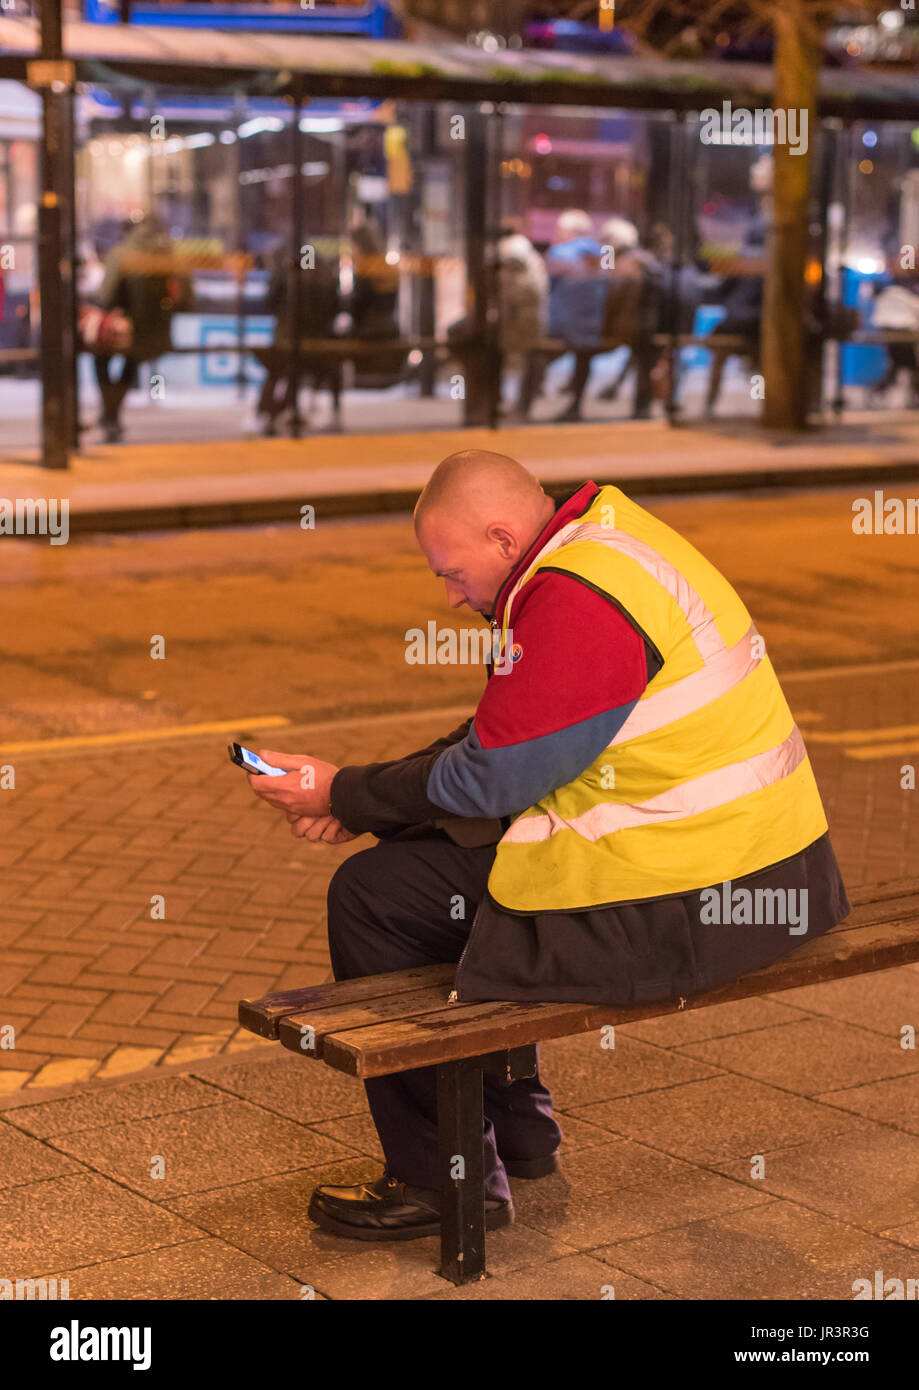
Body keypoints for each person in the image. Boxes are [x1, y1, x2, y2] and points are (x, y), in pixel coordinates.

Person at [246, 449, 851, 1242]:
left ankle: (443, 1179)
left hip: (697, 899)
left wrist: (347, 796)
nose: (450, 595)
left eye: (449, 573)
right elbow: (502, 741)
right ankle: (519, 1140)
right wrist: (360, 799)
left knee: (376, 896)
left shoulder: (573, 599)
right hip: (770, 868)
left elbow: (492, 776)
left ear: (501, 538)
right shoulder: (609, 543)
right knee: (437, 866)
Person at [93, 215, 192, 443]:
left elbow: (106, 297)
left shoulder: (121, 254)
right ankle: (111, 415)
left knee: (100, 358)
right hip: (157, 334)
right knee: (130, 363)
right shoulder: (173, 255)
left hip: (123, 330)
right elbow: (187, 300)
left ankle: (110, 414)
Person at [254, 245, 341, 436]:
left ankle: (267, 413)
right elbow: (335, 306)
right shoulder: (322, 271)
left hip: (291, 338)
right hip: (319, 339)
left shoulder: (287, 270)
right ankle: (278, 411)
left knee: (280, 367)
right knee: (291, 367)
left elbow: (269, 302)